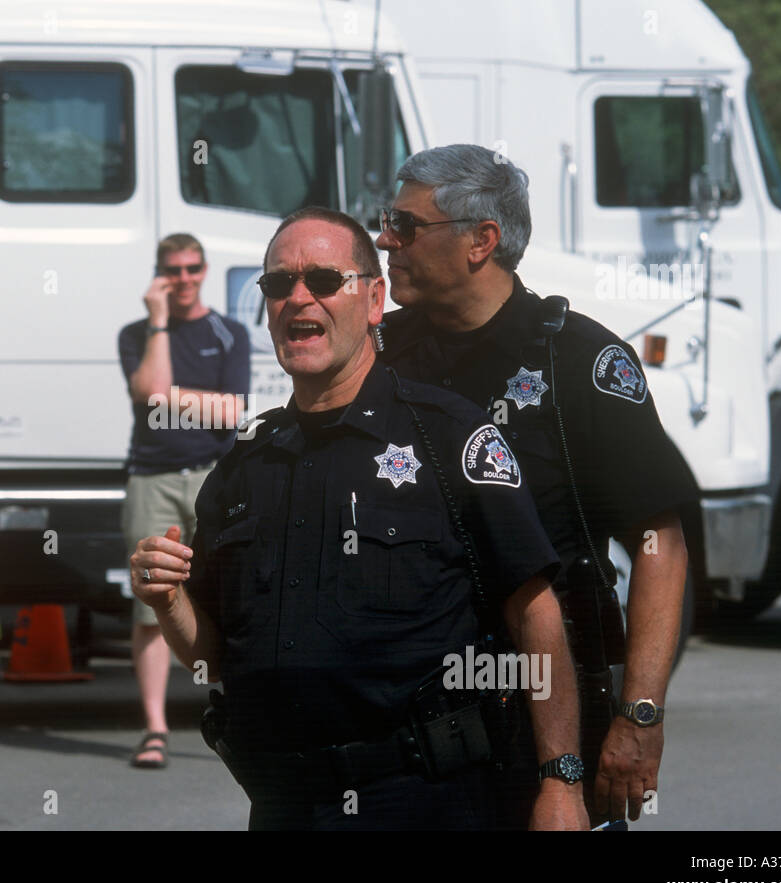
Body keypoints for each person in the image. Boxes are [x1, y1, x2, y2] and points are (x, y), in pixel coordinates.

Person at [130, 207, 588, 830]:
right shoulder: (244, 466)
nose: (298, 299)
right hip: (285, 804)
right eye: (277, 284)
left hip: (425, 801)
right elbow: (213, 657)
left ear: (375, 300)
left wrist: (561, 781)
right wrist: (167, 601)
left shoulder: (449, 436)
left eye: (323, 280)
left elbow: (534, 611)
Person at [375, 144, 696, 828]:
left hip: (545, 715)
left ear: (480, 240)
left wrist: (640, 717)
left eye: (405, 226)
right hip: (403, 714)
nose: (384, 240)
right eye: (386, 223)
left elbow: (657, 542)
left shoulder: (581, 361)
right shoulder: (378, 357)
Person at [116, 234, 250, 768]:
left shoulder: (228, 332)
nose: (184, 278)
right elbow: (151, 389)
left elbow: (230, 413)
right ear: (159, 274)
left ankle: (239, 714)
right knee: (150, 601)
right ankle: (155, 727)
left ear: (205, 269)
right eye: (173, 270)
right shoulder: (138, 333)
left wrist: (166, 399)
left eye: (193, 268)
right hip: (151, 476)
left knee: (229, 596)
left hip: (212, 478)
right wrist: (158, 323)